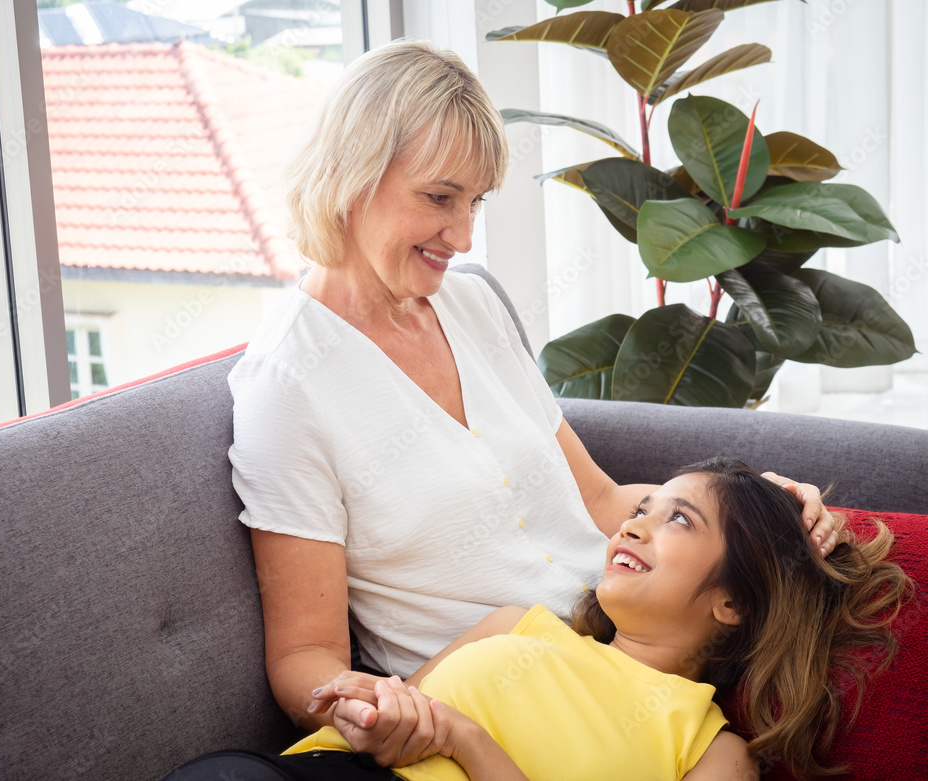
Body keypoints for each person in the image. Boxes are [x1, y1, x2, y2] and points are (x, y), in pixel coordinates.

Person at [226, 38, 843, 751]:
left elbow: (602, 503)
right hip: (511, 707)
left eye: (476, 202)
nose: (461, 234)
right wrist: (371, 711)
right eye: (439, 198)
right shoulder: (289, 383)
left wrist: (756, 512)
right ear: (351, 175)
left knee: (853, 597)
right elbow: (304, 656)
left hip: (642, 643)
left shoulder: (470, 305)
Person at [165, 458, 911, 780]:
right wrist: (376, 710)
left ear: (735, 600)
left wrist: (465, 736)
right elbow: (374, 709)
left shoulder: (715, 750)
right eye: (639, 510)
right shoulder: (515, 624)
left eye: (677, 518)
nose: (634, 524)